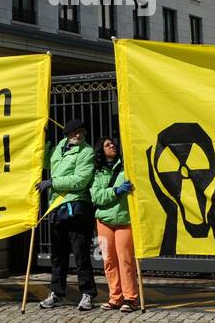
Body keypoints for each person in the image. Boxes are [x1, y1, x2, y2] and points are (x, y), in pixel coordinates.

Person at [38, 118, 97, 311]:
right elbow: (46, 161)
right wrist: (42, 139)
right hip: (57, 207)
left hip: (77, 208)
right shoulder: (60, 146)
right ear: (67, 135)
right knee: (58, 255)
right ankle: (57, 293)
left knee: (80, 255)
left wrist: (53, 183)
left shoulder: (86, 151)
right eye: (74, 133)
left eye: (81, 131)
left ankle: (87, 294)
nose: (78, 135)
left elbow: (80, 180)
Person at [91, 136, 139, 312]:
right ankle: (115, 297)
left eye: (113, 144)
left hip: (123, 220)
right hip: (103, 221)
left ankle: (130, 298)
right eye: (107, 145)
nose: (112, 146)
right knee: (109, 261)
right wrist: (116, 191)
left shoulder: (127, 168)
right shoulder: (97, 172)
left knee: (125, 259)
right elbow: (96, 196)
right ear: (101, 150)